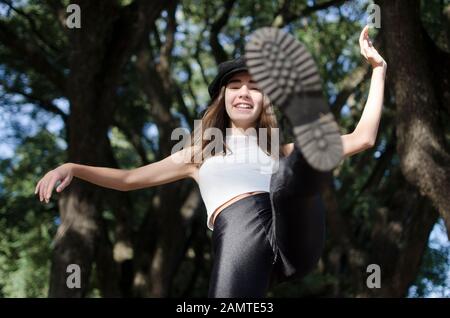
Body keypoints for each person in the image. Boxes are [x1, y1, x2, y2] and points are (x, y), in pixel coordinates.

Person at [35, 25, 386, 298]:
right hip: (239, 234)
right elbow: (129, 179)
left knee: (291, 172)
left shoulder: (279, 151)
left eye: (256, 86)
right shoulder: (198, 154)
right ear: (224, 97)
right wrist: (73, 168)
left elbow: (363, 138)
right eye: (236, 86)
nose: (246, 92)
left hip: (293, 229)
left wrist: (378, 70)